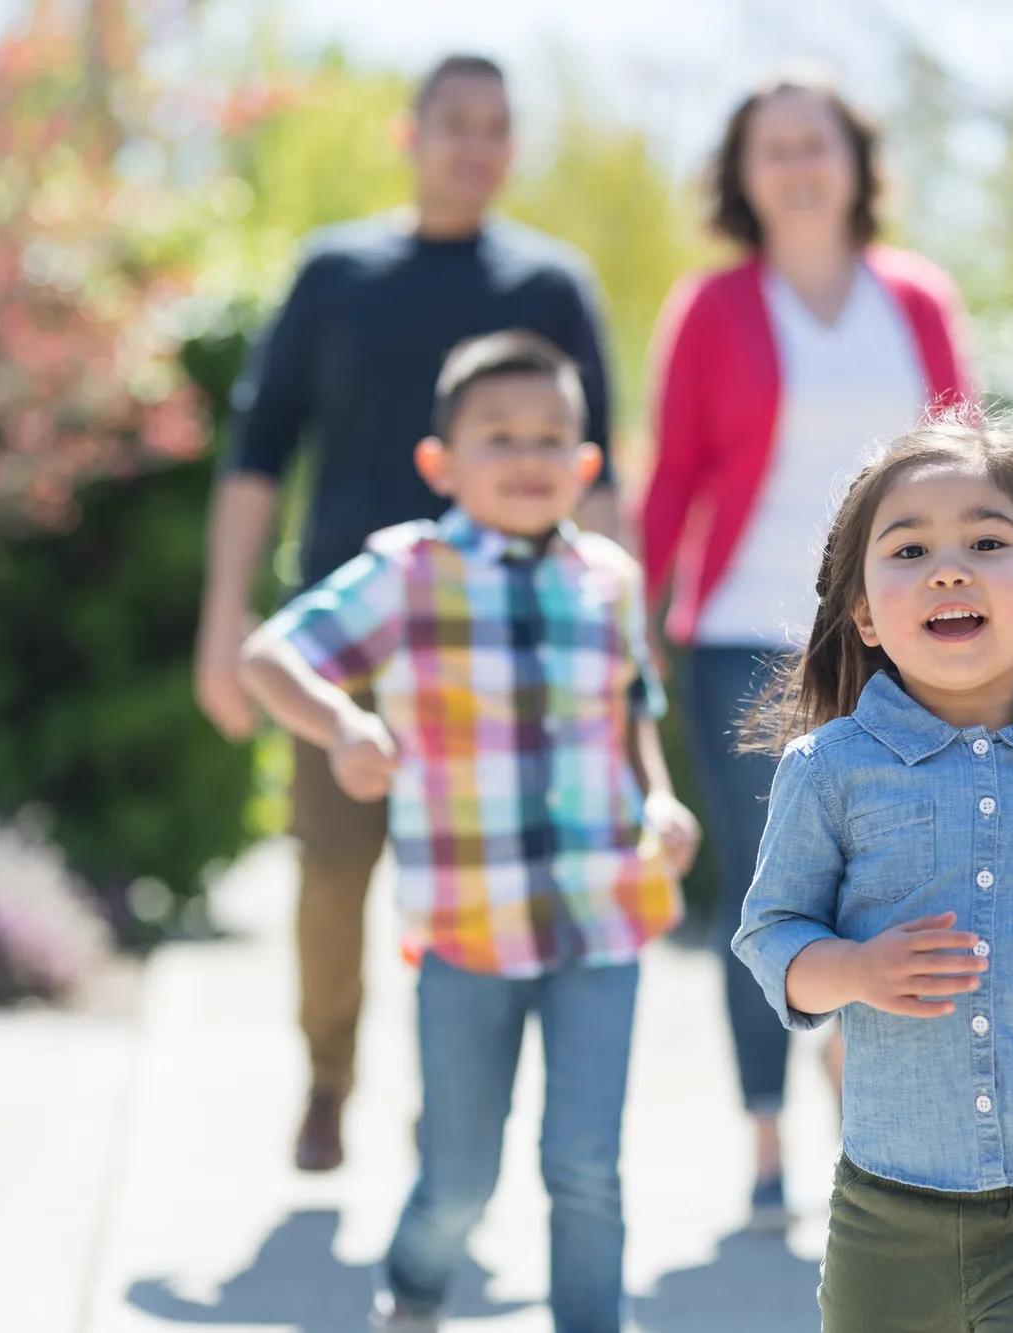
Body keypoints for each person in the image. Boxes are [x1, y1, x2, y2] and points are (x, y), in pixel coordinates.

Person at [193, 52, 618, 1172]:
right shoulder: (336, 271)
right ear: (411, 134)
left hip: (506, 646)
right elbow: (255, 458)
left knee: (480, 890)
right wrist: (225, 624)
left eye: (495, 126)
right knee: (333, 872)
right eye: (454, 123)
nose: (474, 144)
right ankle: (327, 1075)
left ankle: (452, 1100)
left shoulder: (550, 286)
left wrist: (615, 637)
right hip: (348, 639)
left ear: (509, 147)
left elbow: (598, 472)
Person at [238, 331, 697, 1333]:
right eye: (498, 437)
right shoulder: (407, 571)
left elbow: (632, 711)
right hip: (468, 929)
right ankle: (412, 1289)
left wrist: (657, 799)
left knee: (584, 1168)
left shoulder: (610, 580)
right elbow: (269, 655)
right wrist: (344, 724)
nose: (527, 458)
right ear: (441, 462)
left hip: (600, 918)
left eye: (549, 438)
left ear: (585, 464)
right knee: (458, 1177)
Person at [731, 413, 1013, 1332]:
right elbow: (771, 935)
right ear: (864, 613)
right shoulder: (829, 768)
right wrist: (854, 972)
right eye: (909, 549)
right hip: (891, 1201)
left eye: (985, 540)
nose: (947, 567)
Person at [639, 68, 972, 1224]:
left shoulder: (917, 299)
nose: (793, 166)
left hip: (893, 644)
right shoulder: (711, 307)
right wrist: (634, 622)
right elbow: (671, 481)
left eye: (812, 144)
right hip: (742, 639)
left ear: (853, 163)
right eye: (769, 148)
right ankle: (766, 1136)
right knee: (769, 888)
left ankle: (867, 1129)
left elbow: (968, 465)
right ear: (741, 175)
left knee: (886, 884)